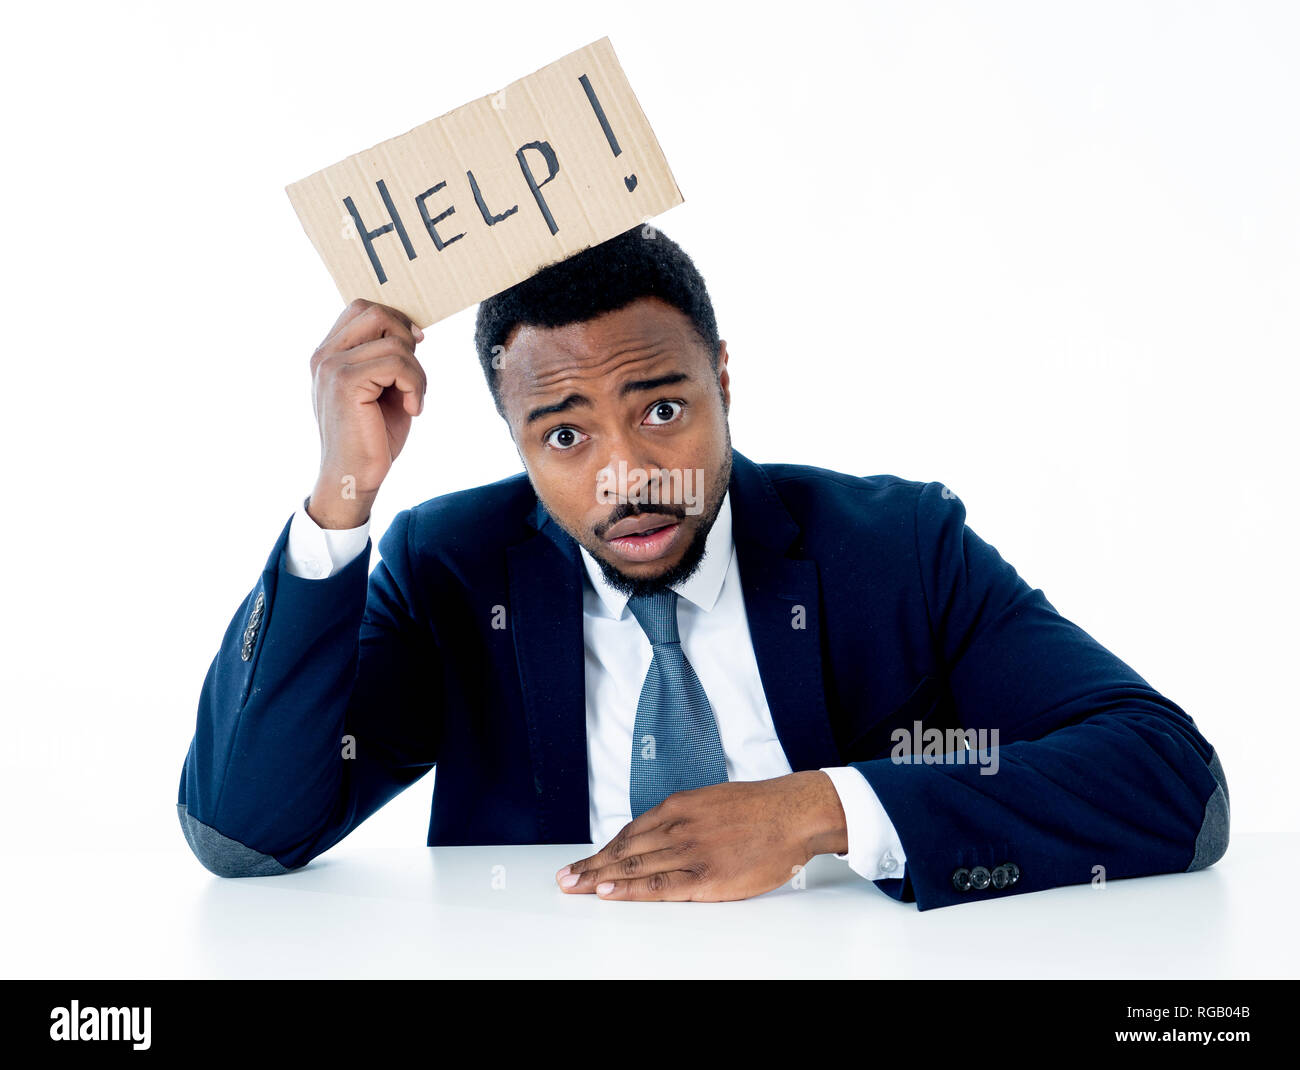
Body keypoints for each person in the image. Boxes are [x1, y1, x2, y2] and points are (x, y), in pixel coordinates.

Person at [176, 225, 1229, 909]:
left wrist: (817, 807)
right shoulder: (452, 570)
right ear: (511, 438)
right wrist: (341, 496)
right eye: (563, 436)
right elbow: (245, 833)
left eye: (663, 411)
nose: (626, 477)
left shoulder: (895, 547)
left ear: (723, 379)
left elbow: (1173, 781)